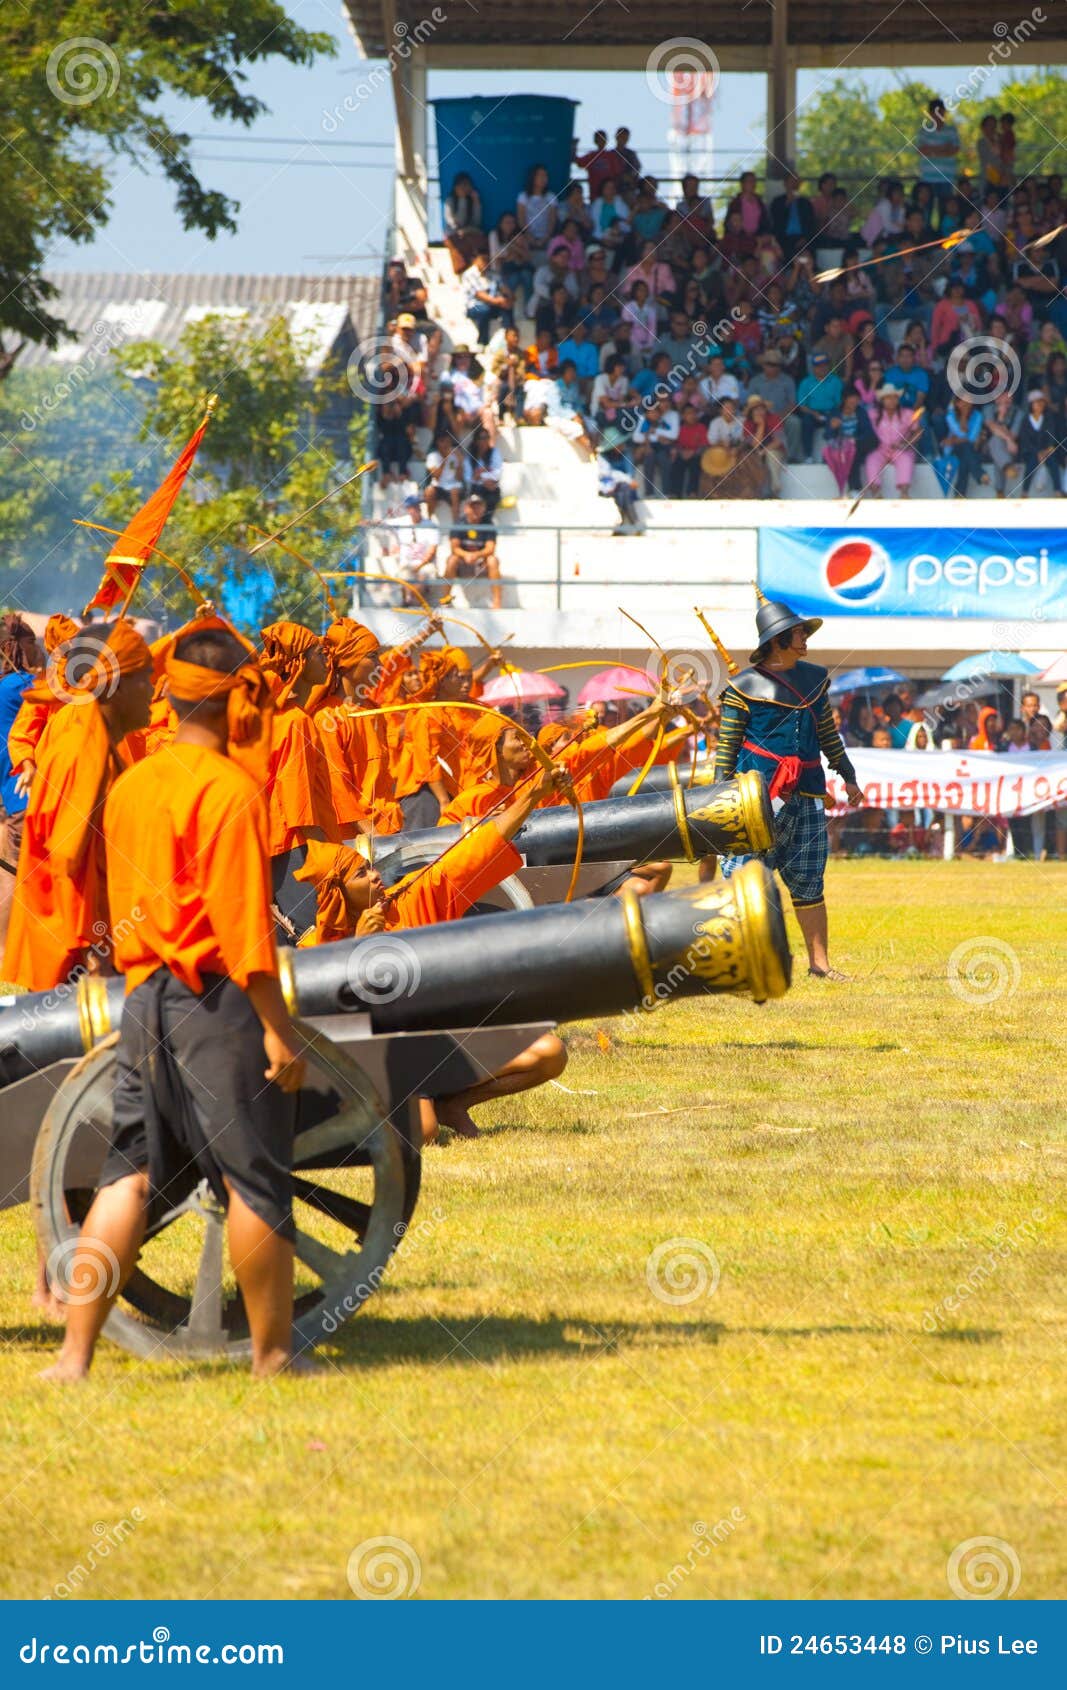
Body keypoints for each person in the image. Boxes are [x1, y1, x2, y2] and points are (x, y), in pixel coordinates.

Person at [43, 626, 308, 1382]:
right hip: (212, 998)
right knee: (255, 1178)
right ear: (235, 702)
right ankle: (272, 1357)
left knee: (127, 1171)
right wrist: (280, 1031)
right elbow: (244, 933)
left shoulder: (133, 784)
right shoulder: (228, 792)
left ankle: (74, 1357)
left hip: (143, 996)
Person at [715, 593, 864, 980]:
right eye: (797, 632)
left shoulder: (815, 679)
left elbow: (828, 734)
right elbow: (726, 749)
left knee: (810, 880)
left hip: (808, 794)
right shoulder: (741, 687)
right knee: (747, 884)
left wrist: (848, 776)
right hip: (754, 799)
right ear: (778, 639)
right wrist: (718, 798)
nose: (805, 638)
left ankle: (820, 966)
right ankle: (744, 966)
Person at [2, 621, 153, 992]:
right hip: (79, 963)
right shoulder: (79, 748)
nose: (153, 688)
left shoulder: (99, 737)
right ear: (110, 684)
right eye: (143, 677)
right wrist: (96, 956)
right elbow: (67, 867)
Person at [0, 615, 42, 952]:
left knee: (7, 871)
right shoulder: (22, 686)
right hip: (20, 794)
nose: (37, 649)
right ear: (12, 648)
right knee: (15, 873)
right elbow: (65, 692)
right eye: (31, 643)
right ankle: (8, 950)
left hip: (5, 793)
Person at [445, 492, 502, 609]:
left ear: (483, 508)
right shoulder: (458, 524)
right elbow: (454, 548)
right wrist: (466, 555)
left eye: (478, 506)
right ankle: (446, 600)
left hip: (481, 564)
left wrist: (476, 555)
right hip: (462, 563)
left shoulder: (488, 524)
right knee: (451, 560)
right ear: (466, 508)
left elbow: (490, 548)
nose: (475, 509)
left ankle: (497, 603)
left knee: (493, 560)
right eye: (472, 506)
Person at [915, 97, 960, 206]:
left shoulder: (951, 130)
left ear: (944, 112)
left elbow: (954, 150)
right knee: (925, 212)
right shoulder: (924, 131)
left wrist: (931, 150)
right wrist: (944, 148)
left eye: (940, 111)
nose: (938, 114)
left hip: (947, 178)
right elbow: (921, 151)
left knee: (946, 212)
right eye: (935, 112)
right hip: (927, 178)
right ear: (930, 113)